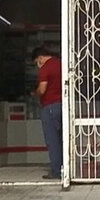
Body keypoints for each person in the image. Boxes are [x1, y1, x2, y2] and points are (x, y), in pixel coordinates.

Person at [32, 46, 63, 180]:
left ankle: (56, 171)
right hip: (63, 105)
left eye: (36, 63)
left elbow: (42, 89)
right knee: (63, 139)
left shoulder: (45, 68)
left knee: (53, 140)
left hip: (50, 107)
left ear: (40, 58)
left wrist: (35, 93)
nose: (37, 66)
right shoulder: (62, 64)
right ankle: (65, 168)